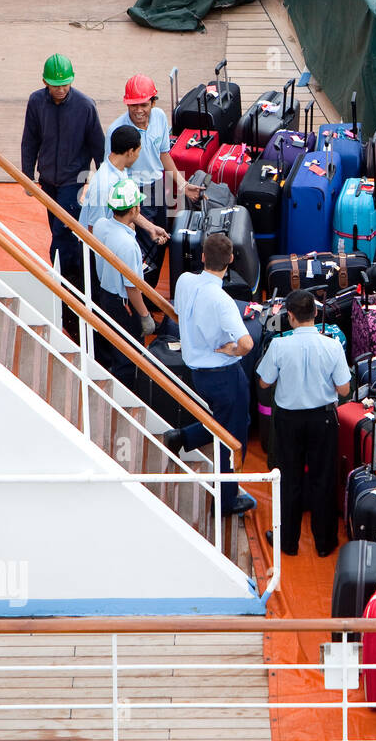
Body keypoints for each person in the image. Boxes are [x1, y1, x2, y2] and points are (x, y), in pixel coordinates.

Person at [162, 233, 256, 516]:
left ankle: (184, 437)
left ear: (203, 257)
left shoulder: (184, 281)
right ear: (230, 261)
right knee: (232, 435)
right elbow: (247, 344)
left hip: (199, 371)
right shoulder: (222, 300)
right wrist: (231, 350)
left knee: (227, 422)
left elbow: (178, 312)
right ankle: (226, 501)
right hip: (223, 374)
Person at [255, 290, 350, 557]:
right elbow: (344, 390)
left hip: (289, 421)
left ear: (291, 317)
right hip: (323, 419)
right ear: (316, 314)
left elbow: (264, 382)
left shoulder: (279, 345)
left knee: (289, 480)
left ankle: (287, 542)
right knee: (323, 478)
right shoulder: (332, 346)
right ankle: (325, 542)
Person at [20, 53, 105, 337]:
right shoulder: (35, 102)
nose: (61, 89)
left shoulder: (85, 107)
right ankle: (70, 278)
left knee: (61, 236)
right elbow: (30, 138)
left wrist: (103, 181)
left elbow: (98, 147)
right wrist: (27, 175)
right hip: (49, 182)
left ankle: (67, 285)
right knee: (60, 231)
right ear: (44, 81)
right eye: (56, 84)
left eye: (66, 84)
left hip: (73, 182)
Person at [105, 74, 198, 272]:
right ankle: (144, 294)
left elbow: (163, 155)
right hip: (134, 193)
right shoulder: (116, 131)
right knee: (145, 250)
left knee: (160, 242)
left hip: (159, 186)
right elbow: (114, 176)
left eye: (144, 105)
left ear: (153, 103)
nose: (139, 110)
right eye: (133, 105)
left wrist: (182, 184)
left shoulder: (160, 118)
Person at [91, 178, 156, 386]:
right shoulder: (128, 245)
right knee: (128, 356)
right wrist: (145, 316)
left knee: (114, 346)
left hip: (105, 295)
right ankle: (125, 396)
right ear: (134, 209)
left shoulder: (101, 225)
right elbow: (131, 287)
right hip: (124, 305)